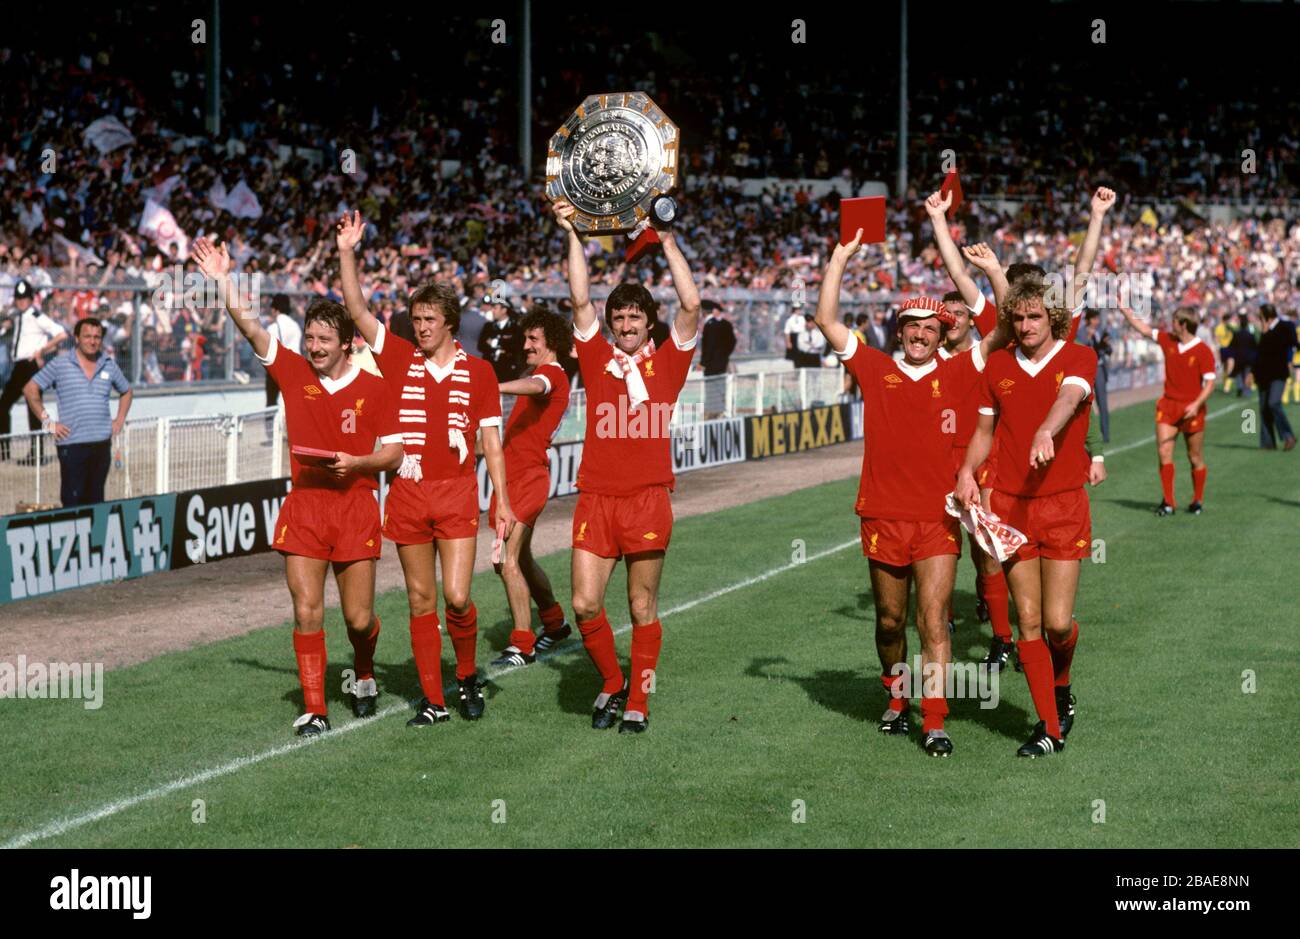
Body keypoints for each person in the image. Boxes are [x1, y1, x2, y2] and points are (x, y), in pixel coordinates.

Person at [192, 237, 404, 736]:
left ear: (347, 342)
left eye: (323, 339)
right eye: (310, 337)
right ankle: (315, 708)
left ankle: (365, 672)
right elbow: (249, 326)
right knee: (307, 609)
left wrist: (358, 463)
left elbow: (395, 452)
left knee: (357, 619)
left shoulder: (375, 388)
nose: (313, 346)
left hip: (355, 506)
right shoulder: (291, 370)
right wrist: (224, 278)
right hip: (306, 508)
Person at [818, 230, 1011, 758]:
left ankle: (935, 720)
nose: (921, 335)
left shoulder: (958, 368)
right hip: (881, 515)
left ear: (941, 333)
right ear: (899, 330)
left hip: (936, 519)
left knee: (933, 619)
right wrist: (838, 260)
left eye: (931, 328)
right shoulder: (876, 369)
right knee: (888, 622)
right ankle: (895, 697)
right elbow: (827, 321)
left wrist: (994, 273)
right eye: (913, 327)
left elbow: (1004, 327)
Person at [336, 210, 515, 726]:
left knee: (457, 597)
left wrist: (500, 498)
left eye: (429, 321)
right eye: (416, 321)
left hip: (457, 492)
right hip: (409, 493)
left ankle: (466, 677)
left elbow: (492, 442)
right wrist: (348, 251)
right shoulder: (398, 358)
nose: (421, 328)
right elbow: (356, 307)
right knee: (419, 598)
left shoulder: (479, 372)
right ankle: (434, 701)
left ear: (449, 322)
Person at [553, 195, 702, 735]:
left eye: (634, 316)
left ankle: (638, 700)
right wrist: (573, 232)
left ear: (648, 323)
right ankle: (613, 681)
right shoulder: (596, 358)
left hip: (646, 498)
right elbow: (577, 299)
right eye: (618, 317)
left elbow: (691, 305)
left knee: (641, 604)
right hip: (596, 496)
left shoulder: (669, 362)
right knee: (584, 604)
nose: (625, 323)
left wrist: (664, 240)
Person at [955, 271, 1099, 758]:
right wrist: (967, 472)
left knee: (1059, 624)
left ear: (1053, 317)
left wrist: (1045, 432)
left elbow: (1069, 397)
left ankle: (1062, 684)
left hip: (1063, 505)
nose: (1024, 324)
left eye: (1034, 316)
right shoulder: (996, 365)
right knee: (1030, 623)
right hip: (1012, 508)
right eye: (1016, 317)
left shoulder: (1079, 357)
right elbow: (981, 431)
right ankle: (1049, 727)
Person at [488, 305, 574, 668]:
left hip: (528, 479)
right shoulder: (539, 371)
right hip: (514, 477)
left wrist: (493, 386)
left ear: (551, 342)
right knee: (519, 558)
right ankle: (553, 623)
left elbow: (536, 386)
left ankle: (522, 643)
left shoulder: (551, 374)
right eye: (525, 338)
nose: (525, 344)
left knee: (508, 561)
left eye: (533, 338)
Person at [23, 317, 133, 506]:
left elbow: (127, 391)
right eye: (87, 336)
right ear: (76, 338)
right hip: (72, 445)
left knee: (97, 502)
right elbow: (30, 389)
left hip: (101, 444)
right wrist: (48, 423)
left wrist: (119, 419)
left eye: (97, 337)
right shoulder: (61, 363)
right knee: (73, 502)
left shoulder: (108, 363)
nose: (92, 341)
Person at [1117, 304, 1217, 512]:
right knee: (1164, 451)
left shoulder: (1203, 351)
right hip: (1168, 405)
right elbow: (1144, 329)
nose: (1169, 324)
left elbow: (1209, 383)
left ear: (1183, 325)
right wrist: (1126, 312)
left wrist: (1196, 404)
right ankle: (1168, 502)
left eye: (1174, 321)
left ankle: (1197, 500)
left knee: (1194, 456)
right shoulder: (1167, 340)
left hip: (1192, 408)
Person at [2, 279, 68, 462]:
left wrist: (41, 351)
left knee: (33, 408)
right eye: (19, 298)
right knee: (4, 405)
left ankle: (37, 453)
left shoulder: (36, 315)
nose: (21, 301)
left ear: (31, 299)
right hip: (19, 366)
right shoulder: (18, 316)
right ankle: (5, 451)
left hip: (29, 365)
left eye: (25, 298)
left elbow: (61, 333)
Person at [1252, 304, 1298, 450]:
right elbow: (1259, 353)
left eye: (1261, 316)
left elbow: (1290, 343)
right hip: (1263, 375)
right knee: (1264, 408)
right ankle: (1267, 444)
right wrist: (1252, 372)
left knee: (1273, 403)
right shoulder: (1263, 331)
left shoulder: (1286, 326)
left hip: (1278, 373)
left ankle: (1288, 435)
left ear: (1267, 316)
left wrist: (1268, 333)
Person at [263, 294, 303, 439]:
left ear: (275, 309)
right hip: (296, 367)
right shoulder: (296, 325)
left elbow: (269, 350)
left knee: (272, 402)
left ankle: (272, 435)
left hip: (277, 368)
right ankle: (294, 432)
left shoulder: (273, 327)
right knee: (292, 402)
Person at [699, 299, 736, 418]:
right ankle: (721, 410)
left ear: (704, 312)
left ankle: (713, 413)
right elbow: (732, 342)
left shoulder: (709, 325)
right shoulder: (724, 324)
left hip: (711, 363)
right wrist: (725, 355)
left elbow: (708, 346)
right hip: (722, 361)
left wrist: (703, 362)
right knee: (720, 385)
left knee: (711, 387)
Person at [1081, 309, 1112, 443]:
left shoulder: (1100, 331)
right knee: (1083, 405)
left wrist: (1106, 344)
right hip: (1086, 371)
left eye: (1097, 319)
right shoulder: (1081, 332)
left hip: (1099, 369)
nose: (1096, 322)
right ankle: (1084, 436)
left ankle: (1105, 436)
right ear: (1088, 320)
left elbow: (1109, 351)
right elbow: (1081, 348)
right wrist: (1088, 338)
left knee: (1103, 404)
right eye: (1094, 319)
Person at [478, 294, 524, 382]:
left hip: (508, 371)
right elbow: (481, 345)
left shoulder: (514, 328)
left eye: (495, 308)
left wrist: (495, 342)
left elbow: (516, 346)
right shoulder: (488, 326)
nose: (492, 311)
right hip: (490, 370)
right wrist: (503, 342)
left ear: (504, 310)